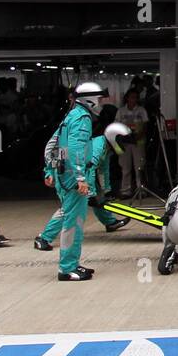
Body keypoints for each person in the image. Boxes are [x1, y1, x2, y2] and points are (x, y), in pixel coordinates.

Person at [35, 122, 132, 252]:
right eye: (122, 141)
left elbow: (103, 170)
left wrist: (106, 190)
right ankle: (43, 238)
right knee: (68, 209)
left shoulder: (105, 148)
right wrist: (49, 172)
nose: (123, 145)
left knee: (99, 199)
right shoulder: (96, 146)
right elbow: (89, 168)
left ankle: (110, 222)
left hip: (78, 176)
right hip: (69, 177)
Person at [49, 82, 108, 281]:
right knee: (73, 224)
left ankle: (71, 264)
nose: (100, 103)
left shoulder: (70, 115)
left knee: (70, 222)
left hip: (65, 176)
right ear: (89, 99)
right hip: (74, 180)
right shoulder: (82, 118)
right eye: (98, 99)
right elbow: (75, 149)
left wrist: (51, 168)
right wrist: (81, 178)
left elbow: (54, 144)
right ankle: (67, 269)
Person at [115, 89, 149, 198]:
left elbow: (146, 125)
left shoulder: (141, 110)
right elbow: (116, 125)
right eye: (132, 97)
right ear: (127, 98)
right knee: (125, 167)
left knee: (139, 166)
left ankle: (141, 190)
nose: (134, 99)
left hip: (138, 142)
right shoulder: (121, 111)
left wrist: (139, 135)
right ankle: (125, 191)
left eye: (136, 97)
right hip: (125, 142)